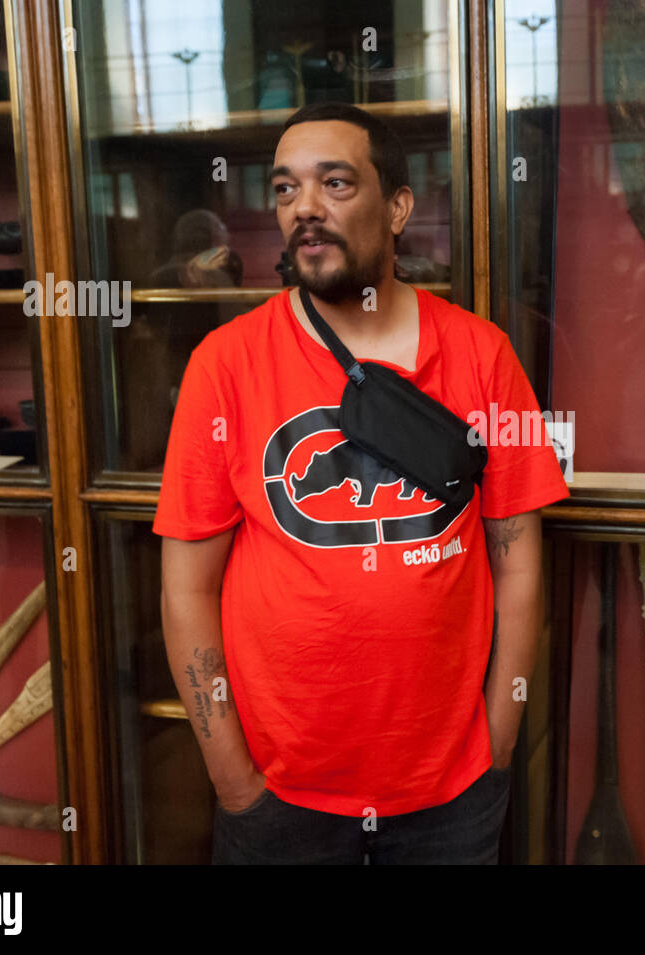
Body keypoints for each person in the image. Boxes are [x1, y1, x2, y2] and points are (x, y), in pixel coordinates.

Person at [152, 101, 569, 864]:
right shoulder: (225, 364)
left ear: (400, 206)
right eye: (285, 190)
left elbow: (519, 564)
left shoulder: (483, 358)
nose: (304, 208)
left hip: (449, 792)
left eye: (336, 183)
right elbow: (186, 586)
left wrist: (498, 741)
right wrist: (232, 776)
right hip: (279, 796)